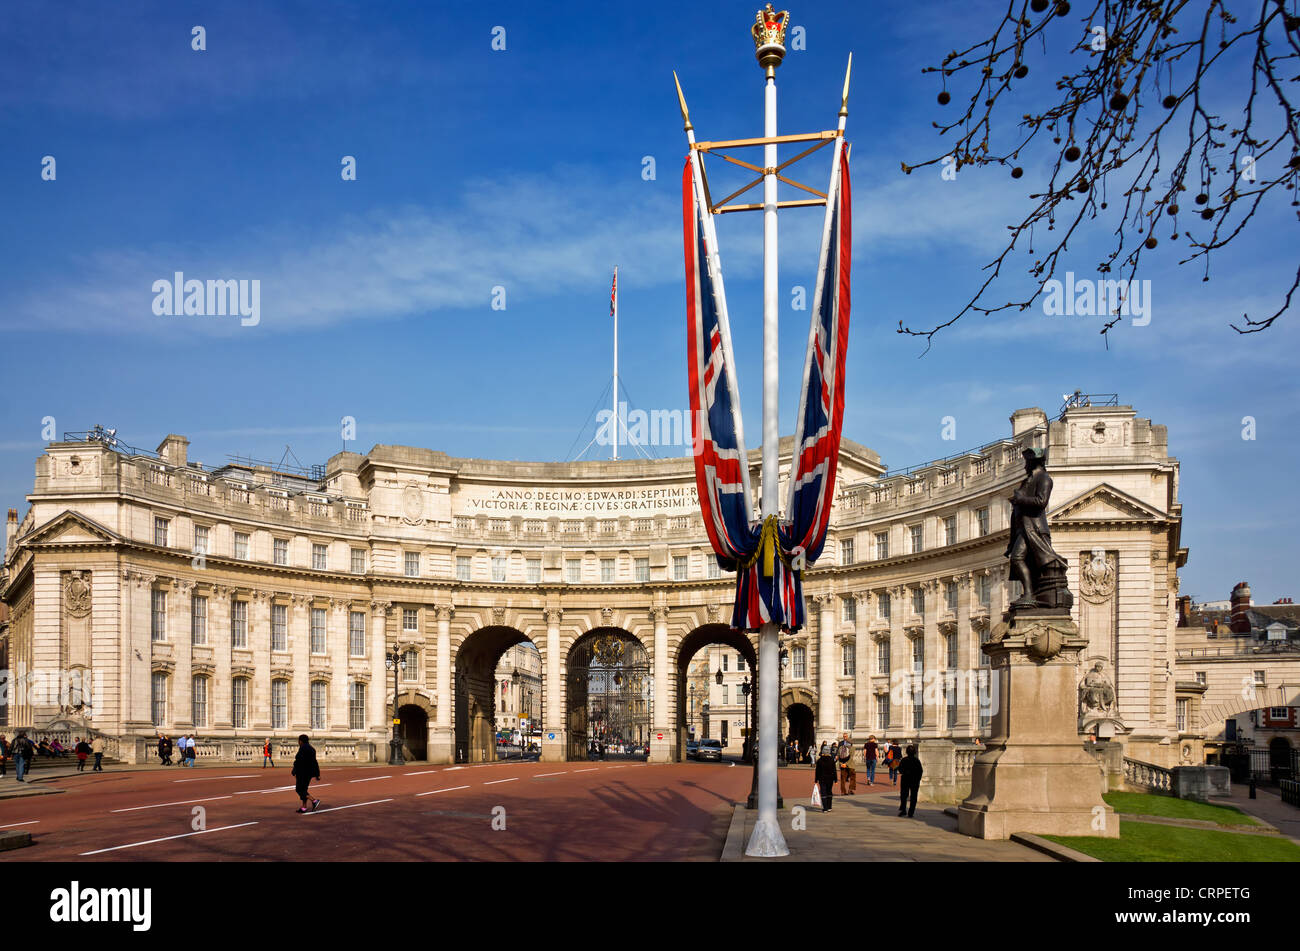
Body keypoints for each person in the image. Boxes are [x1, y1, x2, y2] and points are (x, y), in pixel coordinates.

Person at [291, 733, 321, 813]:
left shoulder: (302, 748)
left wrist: (294, 771)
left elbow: (298, 761)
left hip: (302, 772)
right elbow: (315, 762)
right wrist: (317, 774)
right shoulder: (312, 749)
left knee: (299, 789)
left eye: (298, 741)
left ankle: (314, 800)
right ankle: (304, 807)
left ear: (301, 741)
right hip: (309, 773)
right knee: (304, 789)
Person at [897, 744, 924, 818]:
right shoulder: (916, 760)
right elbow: (920, 771)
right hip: (914, 780)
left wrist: (905, 772)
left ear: (906, 752)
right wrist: (918, 779)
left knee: (903, 796)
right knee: (913, 797)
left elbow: (900, 769)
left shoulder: (904, 760)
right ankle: (911, 812)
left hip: (905, 779)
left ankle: (903, 810)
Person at [814, 743, 837, 813]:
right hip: (830, 778)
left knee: (823, 792)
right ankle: (829, 807)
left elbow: (817, 771)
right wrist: (835, 779)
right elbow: (834, 770)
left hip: (822, 778)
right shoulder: (832, 760)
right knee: (829, 791)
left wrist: (816, 779)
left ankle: (825, 808)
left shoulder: (819, 761)